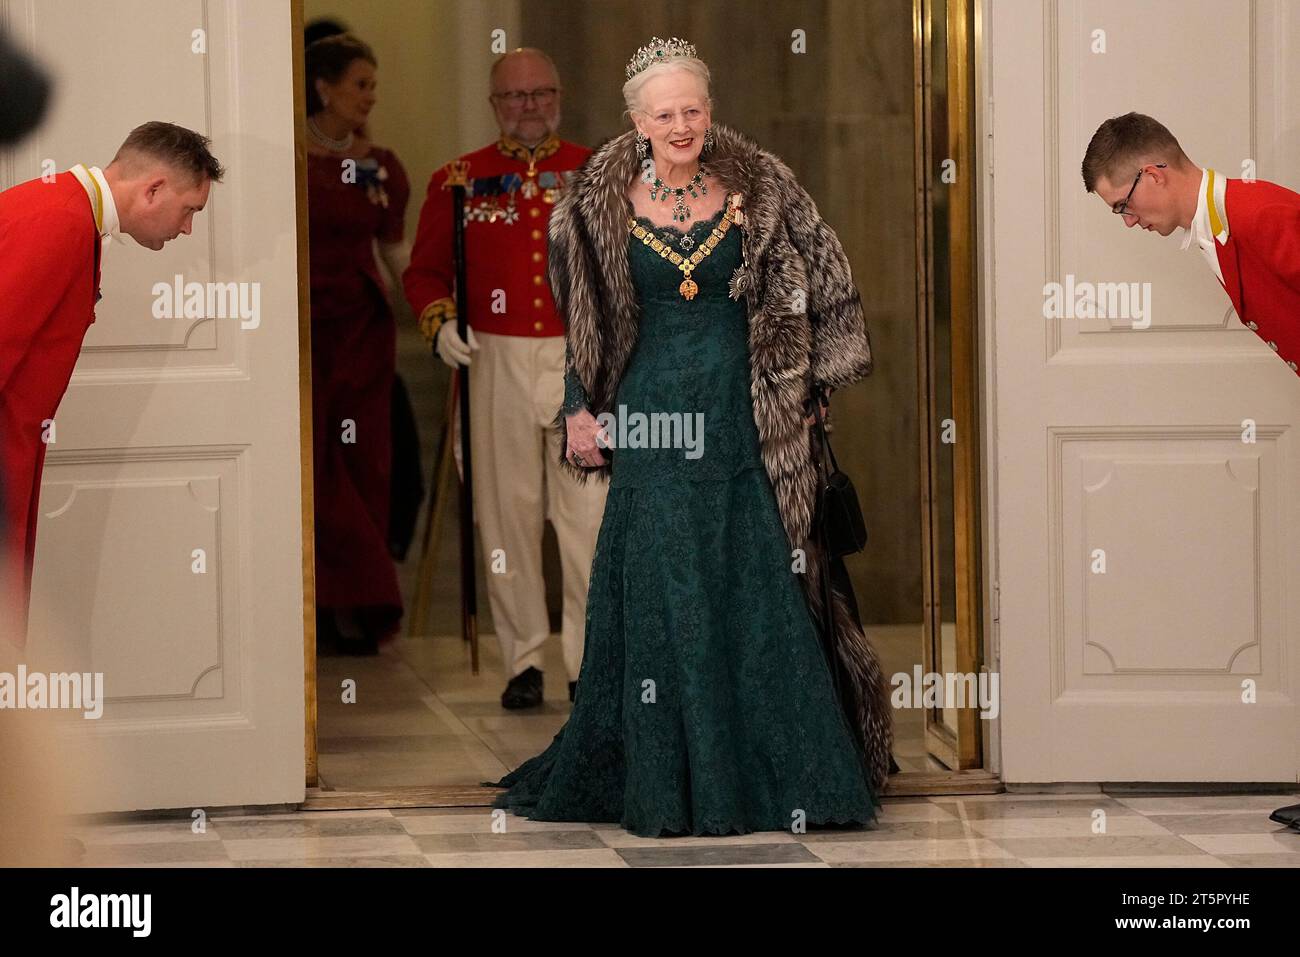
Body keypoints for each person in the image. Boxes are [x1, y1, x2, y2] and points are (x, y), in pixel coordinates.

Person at [486, 37, 892, 837]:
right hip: (650, 417)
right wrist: (580, 409)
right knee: (668, 582)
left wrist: (806, 386)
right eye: (665, 113)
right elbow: (587, 327)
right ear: (637, 119)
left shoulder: (762, 188)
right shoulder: (594, 206)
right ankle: (676, 779)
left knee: (750, 581)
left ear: (710, 111)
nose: (681, 125)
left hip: (742, 415)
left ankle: (767, 779)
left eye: (693, 110)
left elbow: (818, 285)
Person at [1083, 113, 1300, 834]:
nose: (1127, 221)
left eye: (1123, 205)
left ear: (1155, 174)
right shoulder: (1212, 231)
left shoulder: (1260, 212)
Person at [404, 48, 608, 707]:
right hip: (494, 360)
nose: (530, 106)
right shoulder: (459, 178)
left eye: (541, 93)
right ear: (495, 105)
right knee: (506, 517)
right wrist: (441, 323)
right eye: (515, 96)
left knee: (589, 519)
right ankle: (523, 659)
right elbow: (426, 272)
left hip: (582, 360)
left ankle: (589, 660)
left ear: (559, 96)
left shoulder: (595, 172)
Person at [0, 121, 221, 647]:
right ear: (153, 189)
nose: (187, 229)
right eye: (190, 209)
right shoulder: (58, 221)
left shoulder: (66, 213)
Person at [305, 33, 411, 653]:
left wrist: (433, 312)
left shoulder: (380, 165)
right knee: (315, 465)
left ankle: (359, 606)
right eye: (360, 84)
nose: (370, 96)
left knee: (362, 462)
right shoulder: (291, 157)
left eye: (373, 85)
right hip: (304, 332)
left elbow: (394, 249)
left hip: (363, 333)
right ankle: (316, 603)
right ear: (324, 87)